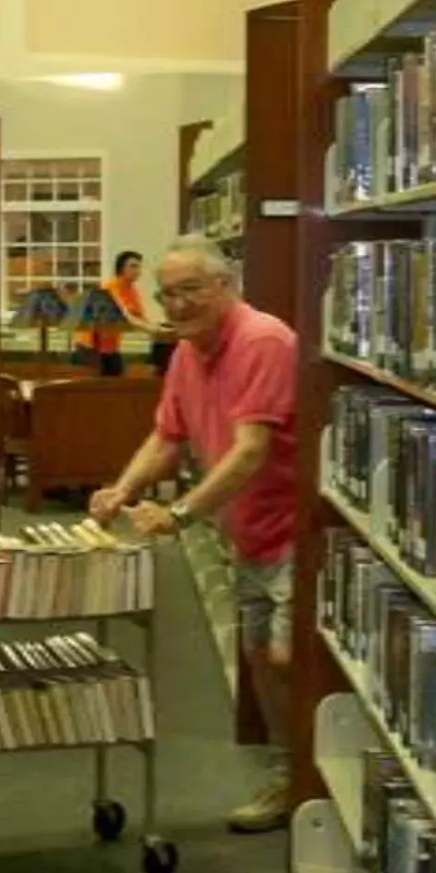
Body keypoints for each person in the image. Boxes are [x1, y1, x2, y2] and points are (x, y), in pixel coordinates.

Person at [88, 235, 299, 834]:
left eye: (191, 290)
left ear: (226, 286)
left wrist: (178, 515)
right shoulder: (186, 352)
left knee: (289, 656)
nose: (177, 305)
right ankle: (291, 777)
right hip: (247, 531)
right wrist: (123, 489)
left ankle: (325, 776)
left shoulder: (262, 341)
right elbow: (166, 437)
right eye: (167, 294)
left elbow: (251, 452)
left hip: (297, 527)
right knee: (259, 656)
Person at [74, 250, 168, 377]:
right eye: (133, 266)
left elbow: (139, 317)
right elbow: (126, 317)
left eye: (139, 266)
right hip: (90, 347)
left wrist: (160, 330)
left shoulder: (132, 290)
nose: (137, 270)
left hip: (110, 347)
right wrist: (154, 330)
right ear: (121, 268)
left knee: (118, 381)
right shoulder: (110, 287)